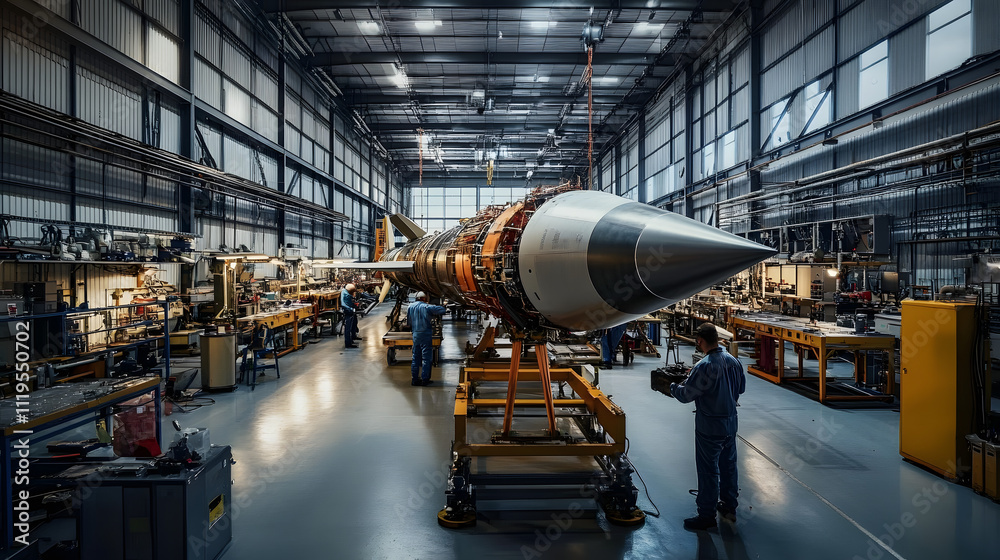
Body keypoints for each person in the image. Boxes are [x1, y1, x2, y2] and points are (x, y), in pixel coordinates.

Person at [669, 322, 746, 530]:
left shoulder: (703, 366)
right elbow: (741, 388)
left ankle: (706, 516)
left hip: (709, 427)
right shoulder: (733, 361)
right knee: (729, 468)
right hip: (730, 425)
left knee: (708, 471)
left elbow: (686, 395)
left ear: (700, 341)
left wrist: (673, 386)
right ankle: (730, 507)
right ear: (718, 339)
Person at [407, 291, 446, 386]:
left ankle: (414, 379)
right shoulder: (426, 307)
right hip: (425, 334)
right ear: (424, 299)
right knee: (426, 358)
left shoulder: (410, 307)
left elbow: (409, 323)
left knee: (415, 357)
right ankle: (425, 379)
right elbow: (442, 310)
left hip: (416, 335)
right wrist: (443, 305)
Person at [340, 283, 359, 348]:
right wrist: (350, 309)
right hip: (348, 312)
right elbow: (343, 304)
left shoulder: (345, 292)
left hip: (350, 311)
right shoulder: (345, 293)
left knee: (353, 325)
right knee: (348, 328)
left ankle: (352, 339)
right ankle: (348, 344)